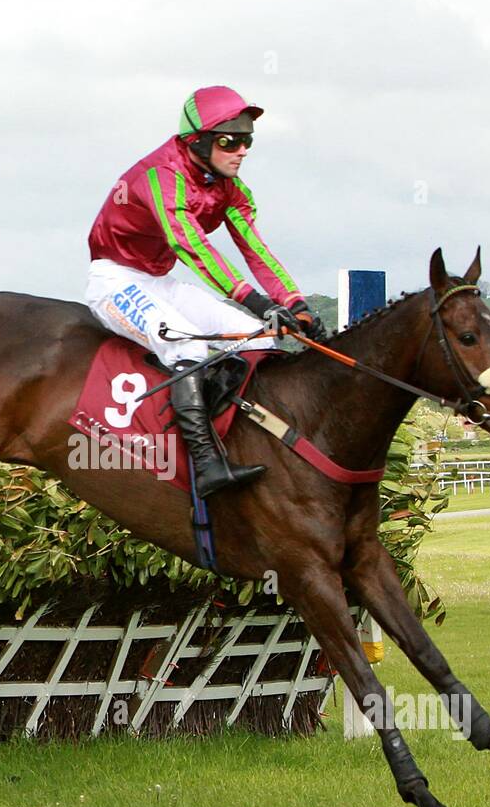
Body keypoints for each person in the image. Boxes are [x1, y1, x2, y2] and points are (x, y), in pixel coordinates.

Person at [85, 85, 325, 498]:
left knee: (261, 339)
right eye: (230, 140)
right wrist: (254, 300)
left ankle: (247, 435)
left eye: (247, 140)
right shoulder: (160, 176)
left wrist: (293, 303)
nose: (242, 150)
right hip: (115, 279)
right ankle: (206, 465)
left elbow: (255, 250)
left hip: (160, 281)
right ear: (197, 141)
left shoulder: (231, 189)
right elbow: (191, 246)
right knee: (187, 348)